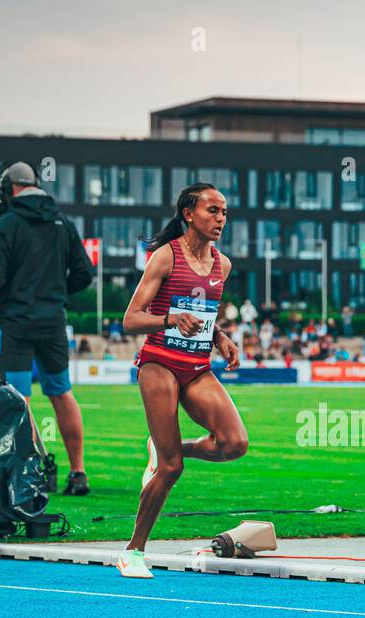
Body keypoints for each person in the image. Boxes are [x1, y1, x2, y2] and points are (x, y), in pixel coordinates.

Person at [114, 183, 244, 579]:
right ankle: (133, 551)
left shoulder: (223, 265)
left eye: (223, 212)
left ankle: (165, 447)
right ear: (188, 214)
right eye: (212, 211)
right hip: (159, 363)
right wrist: (170, 319)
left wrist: (218, 335)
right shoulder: (164, 257)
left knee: (234, 443)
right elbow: (130, 319)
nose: (220, 218)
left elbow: (202, 311)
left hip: (197, 365)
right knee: (170, 469)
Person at [0, 161, 94, 495]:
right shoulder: (62, 223)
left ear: (8, 188)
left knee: (18, 398)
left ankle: (29, 474)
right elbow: (84, 273)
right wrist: (54, 294)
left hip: (15, 322)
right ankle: (78, 472)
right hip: (52, 321)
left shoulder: (5, 224)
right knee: (61, 392)